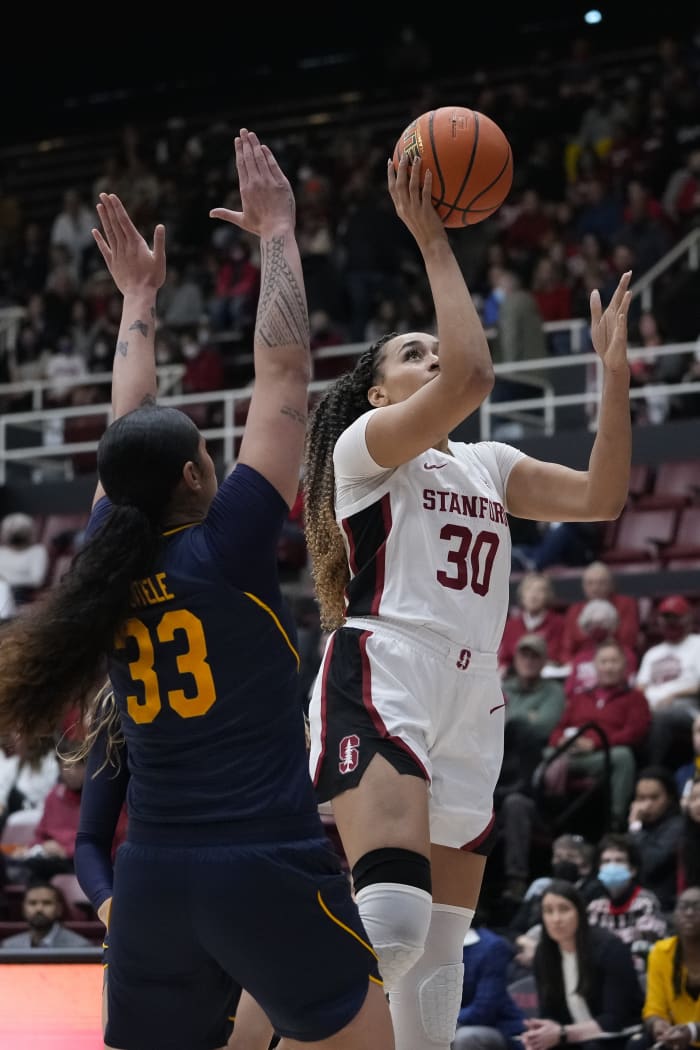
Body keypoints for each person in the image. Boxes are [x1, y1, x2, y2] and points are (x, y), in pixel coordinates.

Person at [0, 130, 393, 1050]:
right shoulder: (230, 542)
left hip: (152, 885)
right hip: (262, 866)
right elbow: (287, 374)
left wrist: (137, 298)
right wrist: (280, 234)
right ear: (191, 476)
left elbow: (123, 432)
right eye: (208, 457)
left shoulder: (104, 552)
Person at [303, 140, 633, 1050]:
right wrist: (434, 239)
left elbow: (603, 499)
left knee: (439, 972)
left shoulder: (487, 464)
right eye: (415, 352)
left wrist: (613, 373)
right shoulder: (365, 449)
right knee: (396, 932)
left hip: (473, 691)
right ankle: (262, 1025)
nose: (435, 356)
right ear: (378, 390)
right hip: (386, 666)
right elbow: (474, 376)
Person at [520, 880, 643, 1050]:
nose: (556, 919)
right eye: (548, 911)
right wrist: (540, 1033)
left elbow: (615, 1020)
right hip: (574, 1038)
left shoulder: (611, 948)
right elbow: (549, 1014)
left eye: (564, 909)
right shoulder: (543, 954)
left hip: (620, 1036)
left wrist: (562, 1033)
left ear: (580, 912)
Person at [586, 832, 668, 982]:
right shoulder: (594, 908)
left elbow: (647, 952)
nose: (612, 866)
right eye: (606, 861)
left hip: (636, 978)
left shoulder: (646, 903)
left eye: (619, 861)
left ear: (633, 869)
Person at [635, 596, 700, 770]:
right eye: (666, 618)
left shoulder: (697, 644)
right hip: (651, 706)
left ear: (687, 618)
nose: (670, 623)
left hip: (686, 707)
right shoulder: (653, 653)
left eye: (675, 618)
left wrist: (674, 695)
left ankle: (652, 771)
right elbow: (640, 687)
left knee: (662, 717)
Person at [632, 886, 700, 1050]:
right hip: (679, 1039)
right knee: (637, 1044)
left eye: (698, 907)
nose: (689, 913)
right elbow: (654, 1006)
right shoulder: (661, 952)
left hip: (692, 1037)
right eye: (683, 907)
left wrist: (693, 1030)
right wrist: (657, 1023)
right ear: (674, 914)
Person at [452, 922, 527, 1050]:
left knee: (463, 1037)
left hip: (497, 1027)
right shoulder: (428, 945)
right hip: (453, 1022)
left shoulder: (491, 946)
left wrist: (442, 1023)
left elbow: (484, 1009)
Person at [559, 562, 639, 665]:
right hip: (582, 663)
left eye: (601, 583)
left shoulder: (626, 604)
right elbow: (566, 649)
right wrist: (572, 664)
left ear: (611, 584)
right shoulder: (574, 610)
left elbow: (628, 642)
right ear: (583, 586)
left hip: (615, 661)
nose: (595, 588)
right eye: (590, 583)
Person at [0, 881, 93, 949]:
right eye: (32, 903)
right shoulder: (9, 946)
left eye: (47, 903)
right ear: (23, 908)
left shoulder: (80, 946)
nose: (39, 908)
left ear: (59, 909)